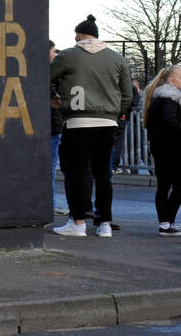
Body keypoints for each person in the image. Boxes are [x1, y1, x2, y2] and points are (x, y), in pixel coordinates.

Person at [50, 14, 132, 238]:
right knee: (102, 174)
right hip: (107, 122)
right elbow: (127, 94)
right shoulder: (117, 59)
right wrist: (116, 112)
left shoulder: (68, 55)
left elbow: (45, 76)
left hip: (77, 121)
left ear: (79, 35)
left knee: (76, 173)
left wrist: (53, 97)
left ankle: (77, 223)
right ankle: (105, 223)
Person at [144, 64, 181, 236]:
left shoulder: (161, 99)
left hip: (162, 147)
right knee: (178, 185)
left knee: (165, 185)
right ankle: (167, 223)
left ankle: (166, 222)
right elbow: (169, 121)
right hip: (170, 148)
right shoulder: (168, 100)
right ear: (171, 80)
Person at [48, 40, 63, 190]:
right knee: (50, 168)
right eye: (53, 51)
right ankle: (50, 203)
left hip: (50, 125)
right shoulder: (52, 76)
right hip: (53, 126)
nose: (56, 54)